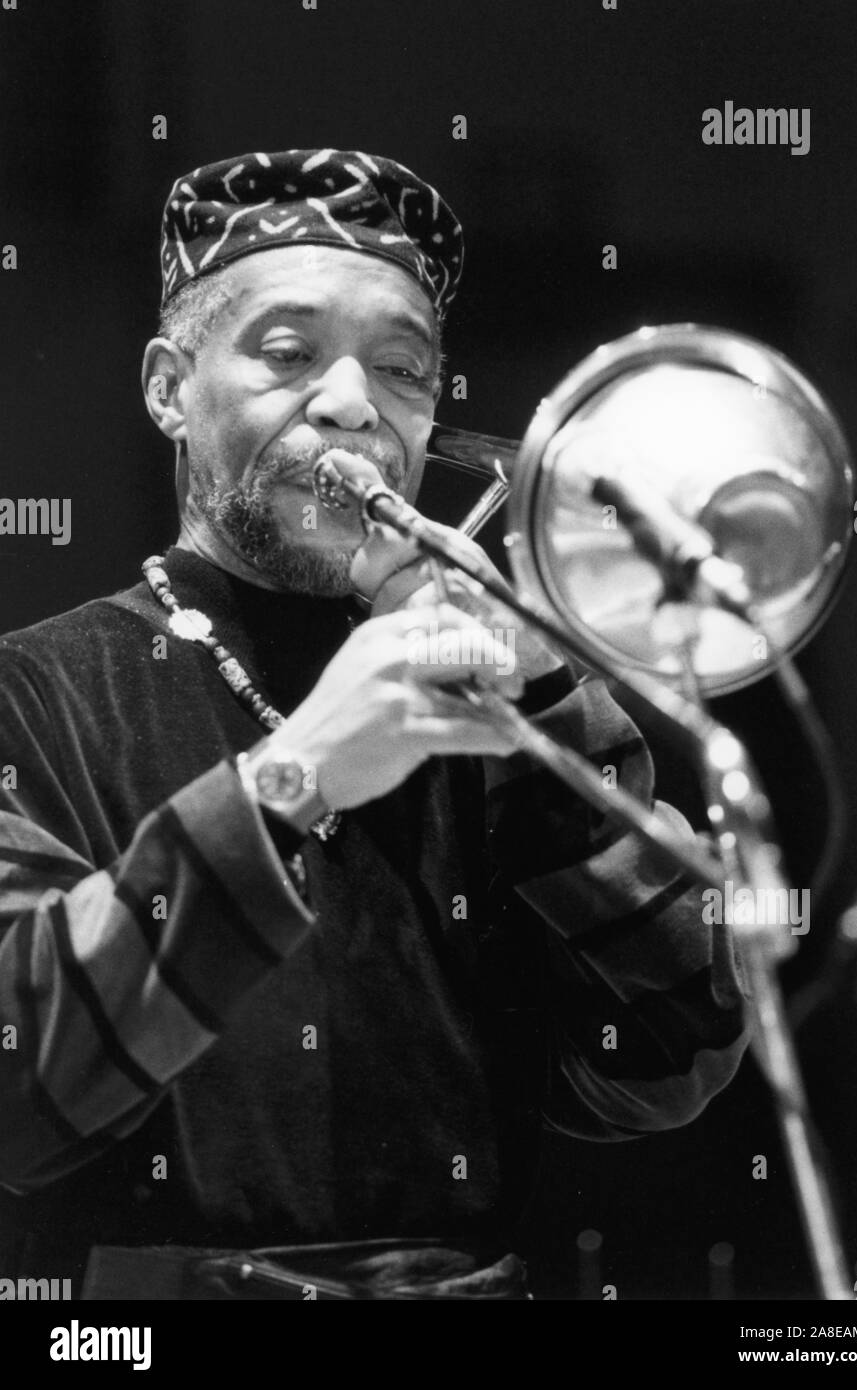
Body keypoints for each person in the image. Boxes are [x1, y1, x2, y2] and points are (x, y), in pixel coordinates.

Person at [0, 148, 747, 1300]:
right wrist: (294, 773)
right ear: (166, 388)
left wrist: (545, 694)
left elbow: (669, 1059)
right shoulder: (34, 692)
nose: (354, 403)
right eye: (288, 353)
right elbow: (22, 1077)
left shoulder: (485, 699)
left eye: (401, 370)